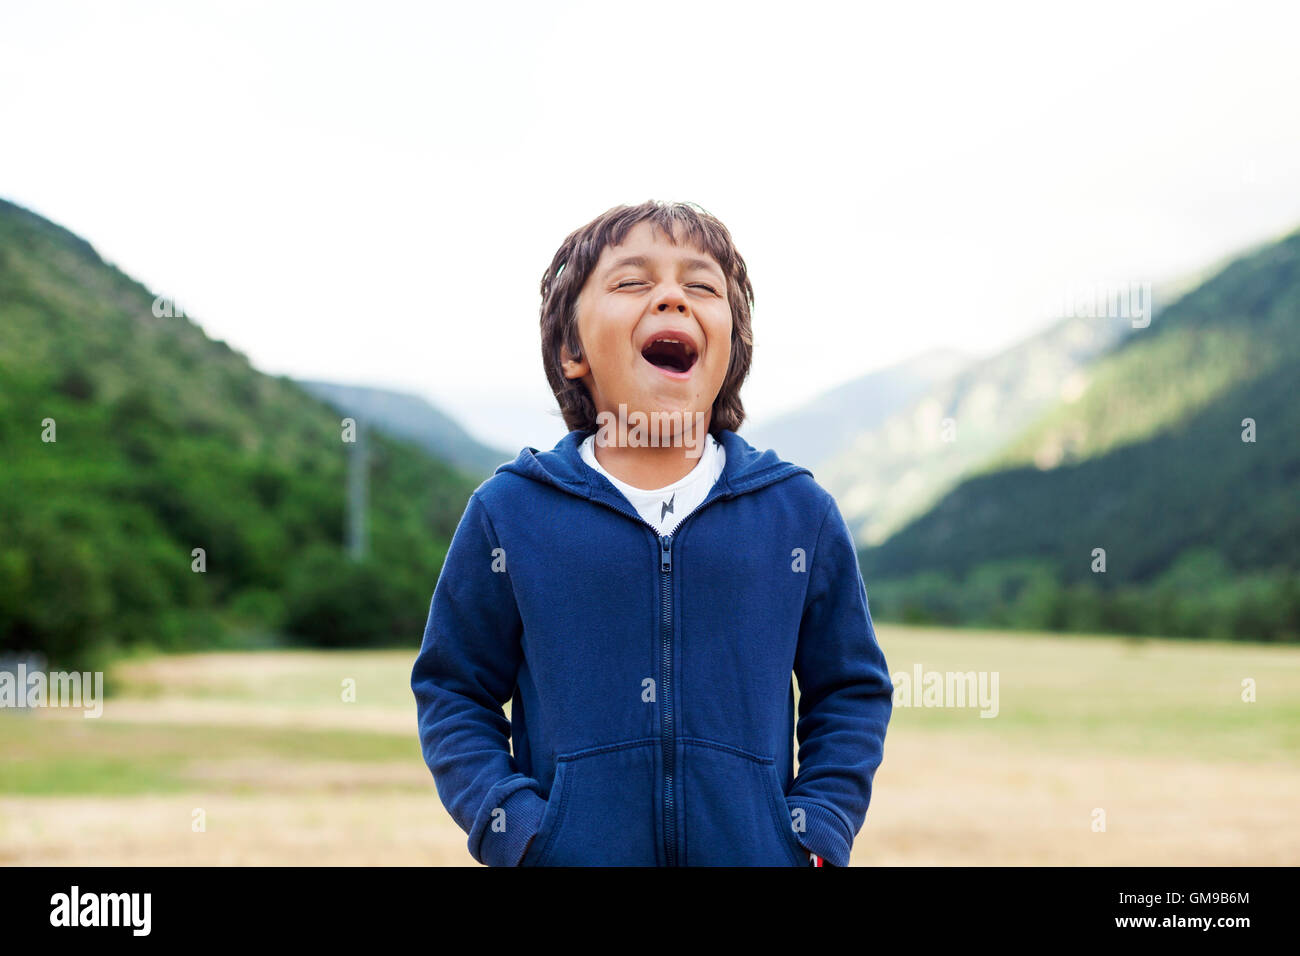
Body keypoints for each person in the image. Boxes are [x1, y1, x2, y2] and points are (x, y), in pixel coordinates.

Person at [411, 200, 893, 866]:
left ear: (731, 348)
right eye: (633, 282)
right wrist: (518, 833)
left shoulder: (798, 513)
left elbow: (850, 689)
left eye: (701, 286)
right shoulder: (509, 513)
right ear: (571, 350)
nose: (672, 297)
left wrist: (817, 828)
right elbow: (452, 689)